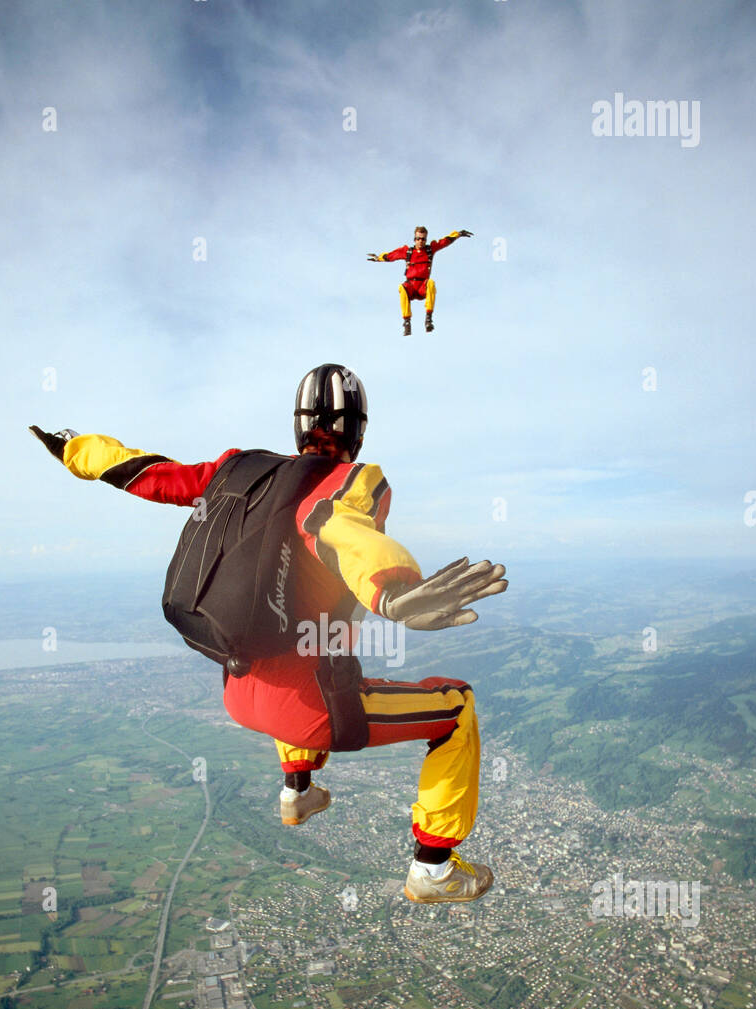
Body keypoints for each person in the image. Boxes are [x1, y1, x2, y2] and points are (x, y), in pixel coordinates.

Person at [30, 363, 507, 903]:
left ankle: (296, 793)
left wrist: (78, 452)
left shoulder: (237, 471)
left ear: (298, 427)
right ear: (359, 430)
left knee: (290, 638)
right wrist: (391, 590)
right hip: (314, 710)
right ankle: (434, 869)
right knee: (456, 707)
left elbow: (152, 475)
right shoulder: (355, 481)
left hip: (240, 692)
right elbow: (333, 525)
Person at [368, 225, 473, 335]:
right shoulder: (408, 252)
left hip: (423, 286)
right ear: (414, 239)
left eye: (423, 239)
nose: (420, 241)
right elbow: (391, 256)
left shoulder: (429, 250)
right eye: (418, 238)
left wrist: (458, 234)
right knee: (402, 287)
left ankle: (428, 319)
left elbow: (444, 241)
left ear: (426, 239)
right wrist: (377, 258)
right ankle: (407, 322)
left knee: (431, 283)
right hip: (411, 286)